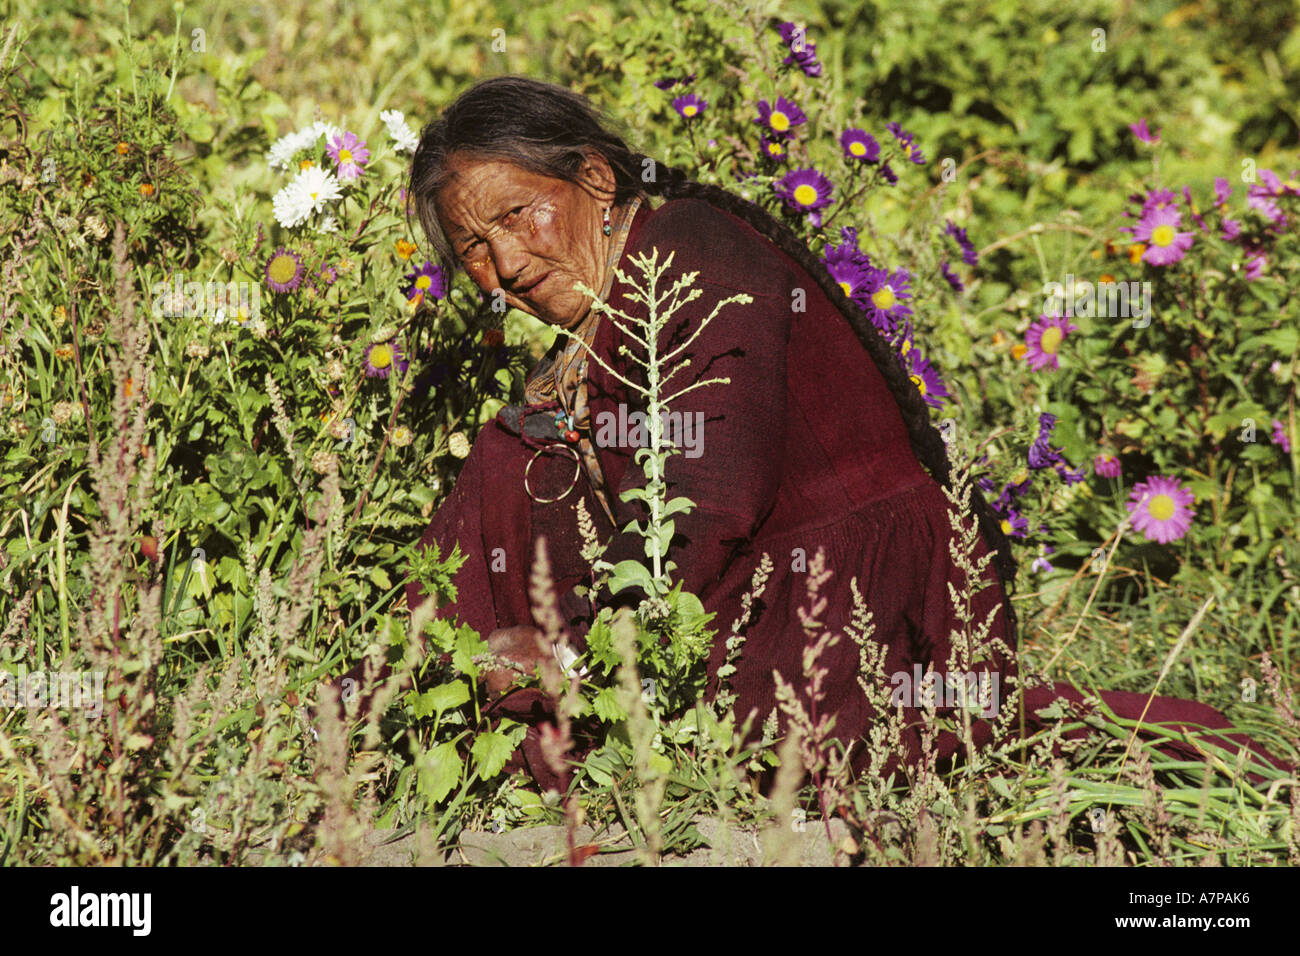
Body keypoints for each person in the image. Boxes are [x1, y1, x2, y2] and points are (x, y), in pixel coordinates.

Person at [381, 75, 1288, 792]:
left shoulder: (691, 245)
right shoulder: (595, 329)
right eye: (471, 247)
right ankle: (413, 688)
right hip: (733, 592)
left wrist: (582, 651)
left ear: (596, 179)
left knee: (682, 753)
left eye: (514, 214)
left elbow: (710, 487)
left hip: (851, 591)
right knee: (512, 454)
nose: (502, 267)